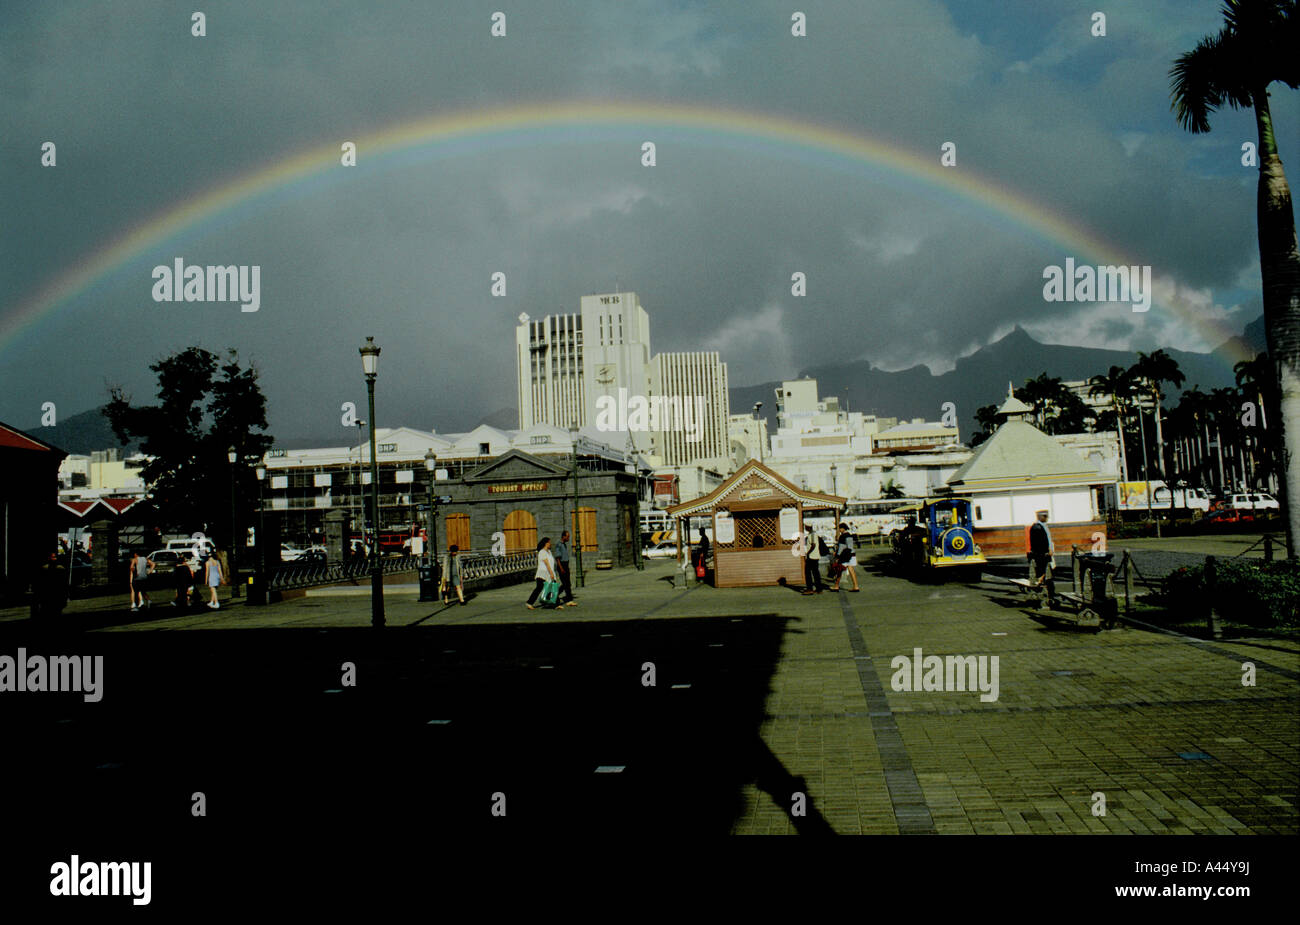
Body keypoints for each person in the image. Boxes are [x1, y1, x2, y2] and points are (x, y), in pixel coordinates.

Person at [1028, 509, 1056, 609]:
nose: (1046, 518)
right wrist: (1046, 551)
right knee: (1044, 574)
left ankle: (1049, 593)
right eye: (1045, 516)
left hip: (1046, 554)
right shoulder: (1037, 527)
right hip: (1042, 555)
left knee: (1048, 574)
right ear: (1040, 517)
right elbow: (1039, 542)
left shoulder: (1043, 526)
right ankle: (1046, 594)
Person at [526, 537, 559, 609]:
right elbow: (547, 563)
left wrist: (552, 572)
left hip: (549, 573)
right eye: (549, 542)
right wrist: (551, 573)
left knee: (552, 588)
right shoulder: (542, 552)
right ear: (546, 543)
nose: (550, 544)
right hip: (542, 573)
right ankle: (529, 602)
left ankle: (555, 604)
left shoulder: (549, 552)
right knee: (539, 588)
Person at [832, 524, 860, 592]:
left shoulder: (842, 536)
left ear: (843, 528)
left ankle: (836, 586)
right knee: (851, 570)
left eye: (839, 528)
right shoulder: (849, 535)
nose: (838, 530)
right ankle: (856, 586)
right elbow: (850, 546)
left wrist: (837, 556)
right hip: (852, 554)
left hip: (845, 555)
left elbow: (841, 547)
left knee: (840, 569)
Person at [552, 530, 577, 606]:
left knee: (566, 583)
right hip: (562, 565)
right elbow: (557, 558)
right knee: (566, 583)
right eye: (567, 536)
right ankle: (569, 600)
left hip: (566, 565)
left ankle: (555, 595)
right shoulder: (559, 545)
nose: (568, 538)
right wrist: (561, 568)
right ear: (563, 537)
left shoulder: (564, 545)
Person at [802, 525, 824, 594]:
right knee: (816, 573)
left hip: (811, 556)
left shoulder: (812, 535)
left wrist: (808, 553)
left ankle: (809, 588)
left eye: (805, 527)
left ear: (808, 527)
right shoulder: (814, 534)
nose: (805, 528)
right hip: (816, 556)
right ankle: (819, 588)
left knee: (808, 572)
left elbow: (813, 544)